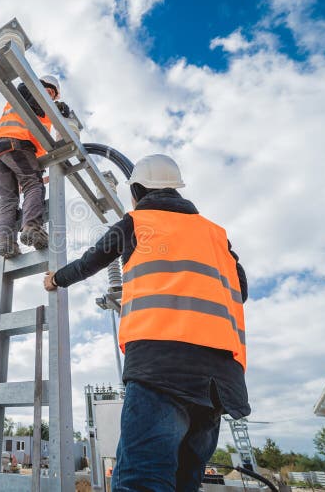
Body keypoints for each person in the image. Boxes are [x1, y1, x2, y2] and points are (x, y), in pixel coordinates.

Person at [43, 154, 249, 492]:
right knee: (184, 483)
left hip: (159, 371)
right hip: (218, 383)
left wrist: (56, 280)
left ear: (137, 190)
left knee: (142, 482)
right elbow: (241, 290)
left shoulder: (136, 221)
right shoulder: (215, 234)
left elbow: (89, 262)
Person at [0, 75, 70, 258]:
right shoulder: (32, 92)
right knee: (33, 184)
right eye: (51, 94)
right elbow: (27, 91)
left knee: (7, 198)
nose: (52, 98)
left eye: (52, 96)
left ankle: (6, 242)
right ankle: (32, 227)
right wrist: (54, 107)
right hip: (16, 142)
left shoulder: (33, 104)